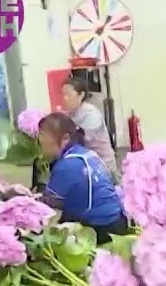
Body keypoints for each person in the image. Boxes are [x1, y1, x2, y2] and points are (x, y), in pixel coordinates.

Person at [36, 113, 129, 243]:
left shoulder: (67, 165)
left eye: (43, 135)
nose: (40, 140)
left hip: (99, 229)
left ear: (65, 138)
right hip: (118, 222)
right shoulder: (87, 154)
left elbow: (49, 210)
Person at [59, 77, 119, 177]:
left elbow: (79, 139)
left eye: (69, 94)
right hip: (86, 162)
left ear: (81, 95)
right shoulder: (72, 113)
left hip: (102, 165)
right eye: (63, 95)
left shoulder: (91, 114)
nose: (65, 98)